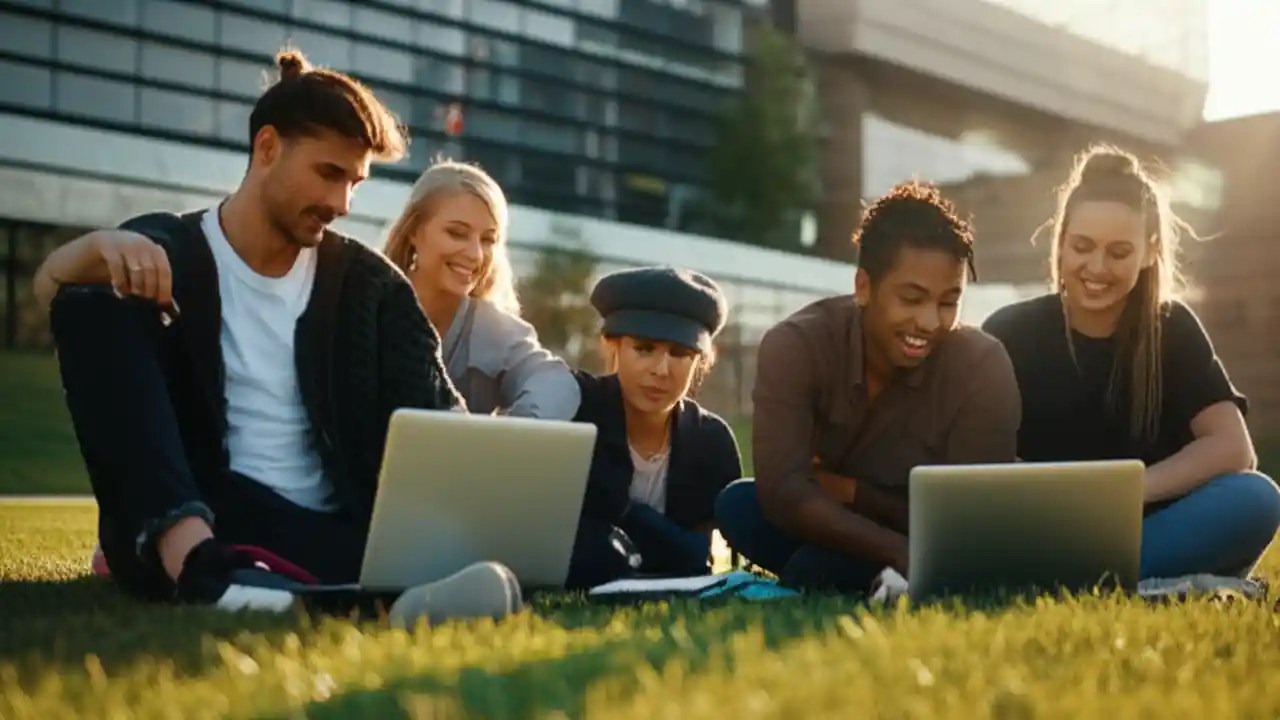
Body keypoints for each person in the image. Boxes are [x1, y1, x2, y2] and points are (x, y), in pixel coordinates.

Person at [33, 49, 521, 624]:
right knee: (92, 299)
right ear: (267, 148)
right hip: (202, 515)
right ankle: (201, 569)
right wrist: (92, 249)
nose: (341, 203)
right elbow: (57, 298)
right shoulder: (167, 249)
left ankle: (342, 596)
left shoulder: (371, 287)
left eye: (355, 183)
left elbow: (441, 419)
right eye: (329, 174)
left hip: (326, 533)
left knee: (573, 545)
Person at [982, 145, 1280, 580]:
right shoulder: (1009, 330)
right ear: (1061, 243)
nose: (1097, 267)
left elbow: (1234, 448)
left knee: (1255, 499)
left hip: (1147, 528)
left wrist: (1123, 492)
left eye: (1119, 252)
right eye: (1082, 246)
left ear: (1149, 251)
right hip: (1044, 526)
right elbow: (975, 456)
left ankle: (1078, 576)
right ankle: (1110, 577)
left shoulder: (1172, 328)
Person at [714, 182, 1021, 594]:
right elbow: (785, 492)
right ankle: (873, 573)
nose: (930, 321)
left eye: (948, 302)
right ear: (863, 287)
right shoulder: (796, 345)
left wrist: (854, 492)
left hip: (931, 531)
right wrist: (900, 553)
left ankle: (849, 573)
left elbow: (971, 518)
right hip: (839, 523)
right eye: (911, 299)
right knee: (740, 506)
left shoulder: (982, 364)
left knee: (813, 564)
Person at [565, 267, 742, 588]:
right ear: (612, 346)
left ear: (700, 361)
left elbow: (709, 557)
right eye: (644, 348)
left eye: (680, 353)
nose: (661, 370)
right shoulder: (575, 409)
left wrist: (636, 520)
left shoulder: (712, 441)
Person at [382, 159, 579, 418]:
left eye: (488, 240)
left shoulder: (491, 327)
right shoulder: (367, 303)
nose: (476, 254)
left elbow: (555, 382)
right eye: (457, 233)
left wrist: (508, 432)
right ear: (414, 232)